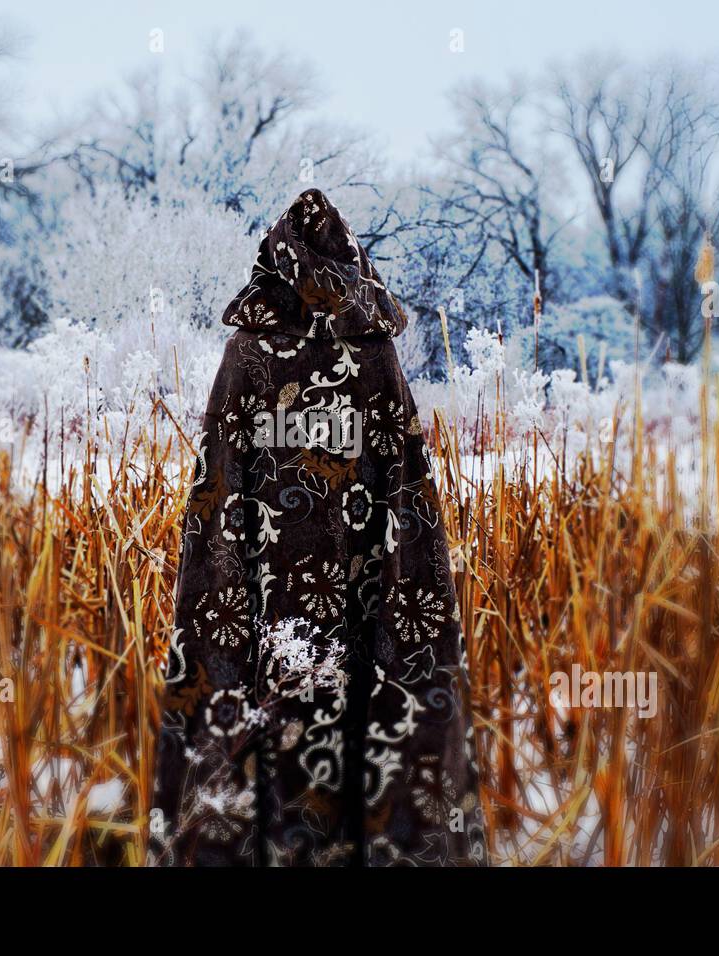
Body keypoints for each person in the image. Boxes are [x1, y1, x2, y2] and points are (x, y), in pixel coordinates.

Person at [149, 189, 486, 866]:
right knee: (374, 706)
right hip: (363, 594)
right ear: (354, 263)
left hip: (268, 595)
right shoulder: (375, 355)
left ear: (274, 263)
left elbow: (217, 504)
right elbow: (407, 507)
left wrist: (224, 601)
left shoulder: (248, 354)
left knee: (269, 727)